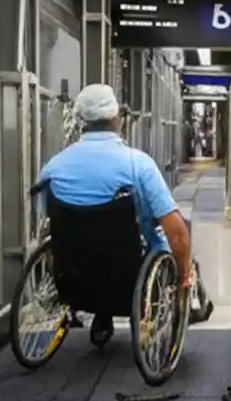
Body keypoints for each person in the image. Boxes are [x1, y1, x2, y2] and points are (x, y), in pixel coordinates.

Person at [35, 84, 205, 346]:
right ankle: (173, 309)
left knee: (89, 240)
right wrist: (184, 275)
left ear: (81, 121)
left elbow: (46, 219)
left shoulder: (53, 168)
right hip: (129, 274)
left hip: (74, 275)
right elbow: (175, 231)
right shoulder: (137, 164)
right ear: (117, 119)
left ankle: (102, 312)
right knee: (179, 233)